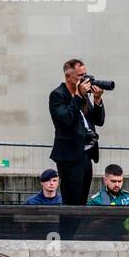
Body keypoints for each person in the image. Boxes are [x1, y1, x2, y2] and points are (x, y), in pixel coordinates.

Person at [48, 58, 107, 206]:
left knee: (82, 201)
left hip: (86, 154)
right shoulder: (58, 95)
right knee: (71, 201)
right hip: (69, 156)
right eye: (81, 76)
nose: (85, 79)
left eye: (85, 74)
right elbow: (66, 120)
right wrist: (78, 96)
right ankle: (67, 230)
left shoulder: (83, 95)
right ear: (68, 77)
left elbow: (98, 121)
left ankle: (77, 229)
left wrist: (98, 100)